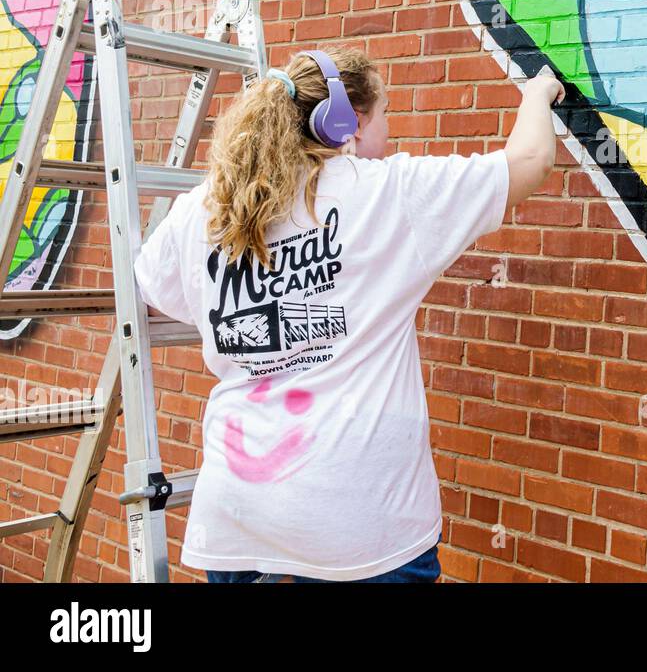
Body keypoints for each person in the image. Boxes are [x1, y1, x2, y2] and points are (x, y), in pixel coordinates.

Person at [132, 45, 565, 582]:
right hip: (360, 526)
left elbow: (154, 288)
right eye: (384, 114)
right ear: (351, 123)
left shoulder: (205, 207)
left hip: (239, 512)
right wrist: (539, 93)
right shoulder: (386, 193)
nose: (388, 130)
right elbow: (530, 161)